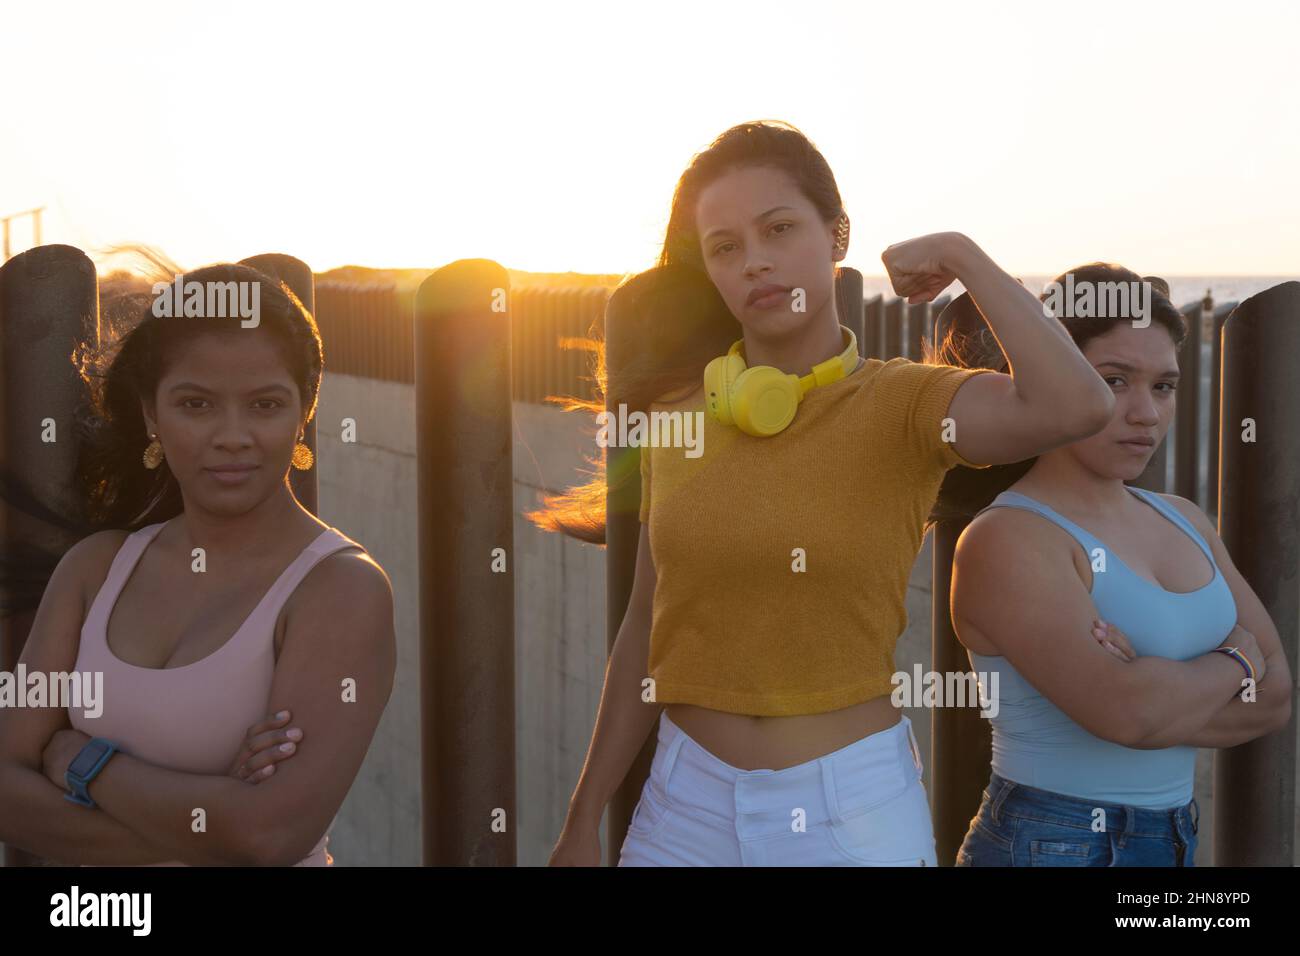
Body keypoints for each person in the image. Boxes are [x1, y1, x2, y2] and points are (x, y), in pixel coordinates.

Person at [540, 120, 1116, 866]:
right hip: (681, 807)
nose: (756, 263)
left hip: (849, 814)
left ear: (837, 235)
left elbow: (1078, 406)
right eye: (726, 247)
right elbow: (643, 627)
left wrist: (962, 254)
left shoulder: (906, 406)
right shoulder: (679, 423)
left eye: (778, 228)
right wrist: (582, 818)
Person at [0, 261, 396, 866]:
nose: (232, 435)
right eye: (197, 403)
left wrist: (81, 763)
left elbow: (268, 835)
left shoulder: (340, 588)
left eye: (265, 404)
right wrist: (214, 823)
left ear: (305, 411)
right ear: (152, 414)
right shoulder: (95, 570)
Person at [941, 264, 1292, 866]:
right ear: (1056, 382)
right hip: (1052, 841)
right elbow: (1127, 713)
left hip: (1175, 839)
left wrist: (1158, 697)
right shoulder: (1008, 537)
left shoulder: (1184, 518)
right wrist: (1236, 658)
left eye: (1163, 386)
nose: (1146, 414)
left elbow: (1279, 695)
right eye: (1113, 380)